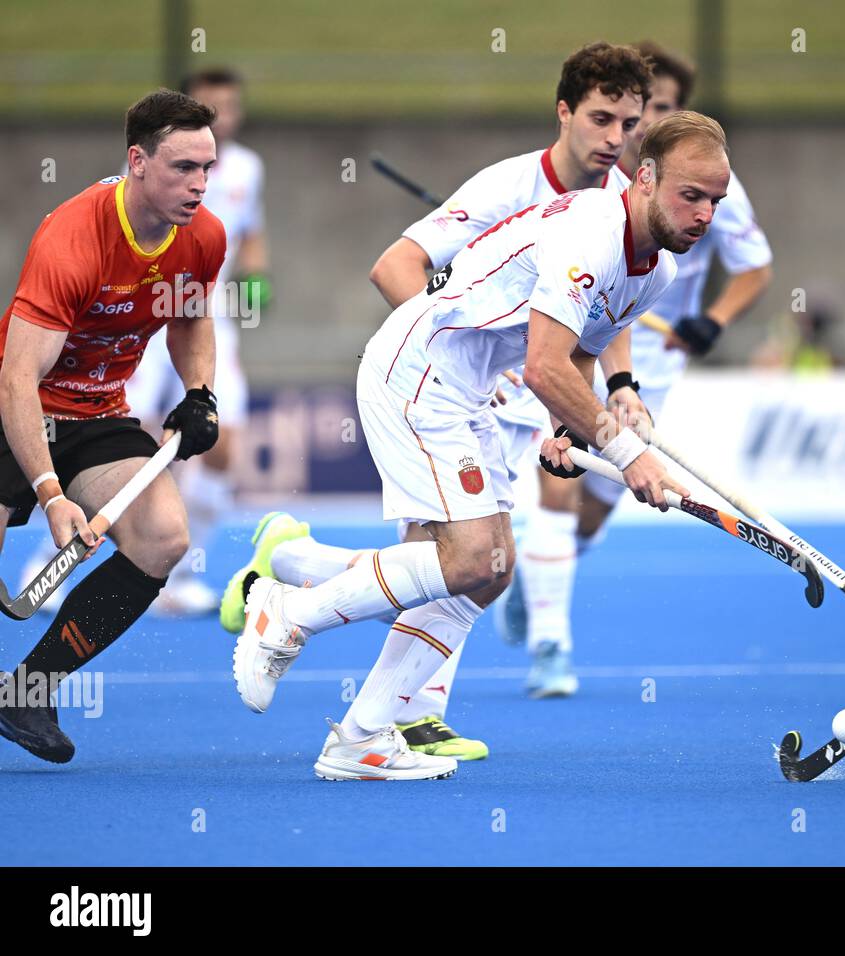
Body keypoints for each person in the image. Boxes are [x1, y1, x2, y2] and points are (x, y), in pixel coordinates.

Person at [230, 111, 730, 781]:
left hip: (470, 392)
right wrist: (626, 454)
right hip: (421, 371)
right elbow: (545, 369)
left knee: (490, 570)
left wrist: (566, 432)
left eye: (715, 201)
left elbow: (576, 356)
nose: (702, 214)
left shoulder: (656, 273)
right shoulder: (593, 232)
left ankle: (360, 738)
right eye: (689, 195)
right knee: (465, 559)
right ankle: (288, 614)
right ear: (645, 178)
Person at [499, 41, 773, 698]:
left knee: (591, 513)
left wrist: (712, 322)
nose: (640, 127)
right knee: (558, 489)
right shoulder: (604, 193)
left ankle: (539, 577)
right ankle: (550, 642)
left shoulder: (711, 188)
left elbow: (755, 268)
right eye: (639, 114)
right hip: (566, 354)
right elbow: (571, 331)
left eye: (663, 110)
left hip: (653, 362)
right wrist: (608, 400)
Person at [0, 90, 225, 763]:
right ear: (137, 161)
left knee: (162, 538)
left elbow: (189, 318)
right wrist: (48, 494)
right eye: (184, 167)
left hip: (98, 412)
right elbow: (17, 381)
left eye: (207, 167)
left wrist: (199, 392)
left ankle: (27, 690)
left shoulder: (202, 235)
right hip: (16, 403)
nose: (199, 184)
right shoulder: (75, 239)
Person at [20, 67, 265, 618]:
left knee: (220, 444)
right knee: (135, 441)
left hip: (195, 307)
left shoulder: (248, 169)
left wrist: (255, 279)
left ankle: (179, 569)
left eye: (230, 105)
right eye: (212, 104)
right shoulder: (137, 185)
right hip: (133, 318)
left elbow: (247, 239)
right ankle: (49, 555)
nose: (199, 182)